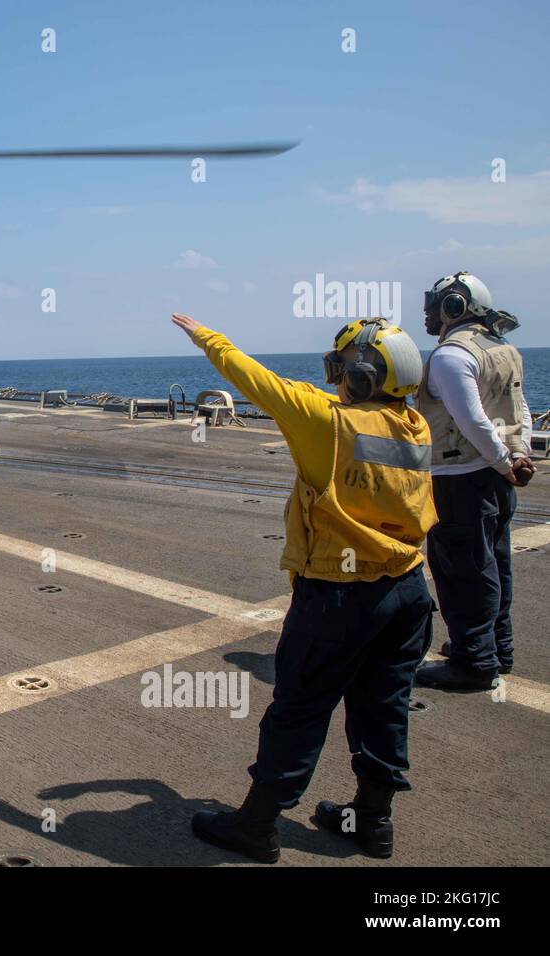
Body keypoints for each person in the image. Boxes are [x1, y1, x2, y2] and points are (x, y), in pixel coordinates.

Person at [171, 313, 437, 862]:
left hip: (338, 596)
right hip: (407, 589)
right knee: (384, 707)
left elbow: (253, 380)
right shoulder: (416, 426)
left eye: (341, 368)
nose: (335, 378)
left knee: (299, 709)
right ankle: (373, 821)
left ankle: (257, 824)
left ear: (361, 374)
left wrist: (207, 337)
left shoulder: (326, 422)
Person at [413, 273, 535, 690]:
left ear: (454, 306)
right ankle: (497, 648)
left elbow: (473, 422)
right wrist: (518, 456)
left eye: (434, 303)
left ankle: (473, 663)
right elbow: (520, 408)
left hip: (459, 480)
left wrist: (504, 461)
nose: (426, 311)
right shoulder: (503, 348)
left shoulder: (451, 356)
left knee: (462, 573)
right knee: (495, 565)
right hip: (495, 480)